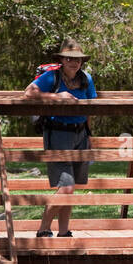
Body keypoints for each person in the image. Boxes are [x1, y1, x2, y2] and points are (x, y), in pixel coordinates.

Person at [25, 40, 97, 237]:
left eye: (78, 59)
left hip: (81, 134)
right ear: (62, 60)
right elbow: (29, 93)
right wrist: (58, 97)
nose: (74, 62)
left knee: (71, 188)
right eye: (69, 58)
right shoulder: (51, 77)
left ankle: (64, 231)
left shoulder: (86, 79)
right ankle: (43, 228)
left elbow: (92, 105)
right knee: (66, 187)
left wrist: (89, 135)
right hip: (58, 134)